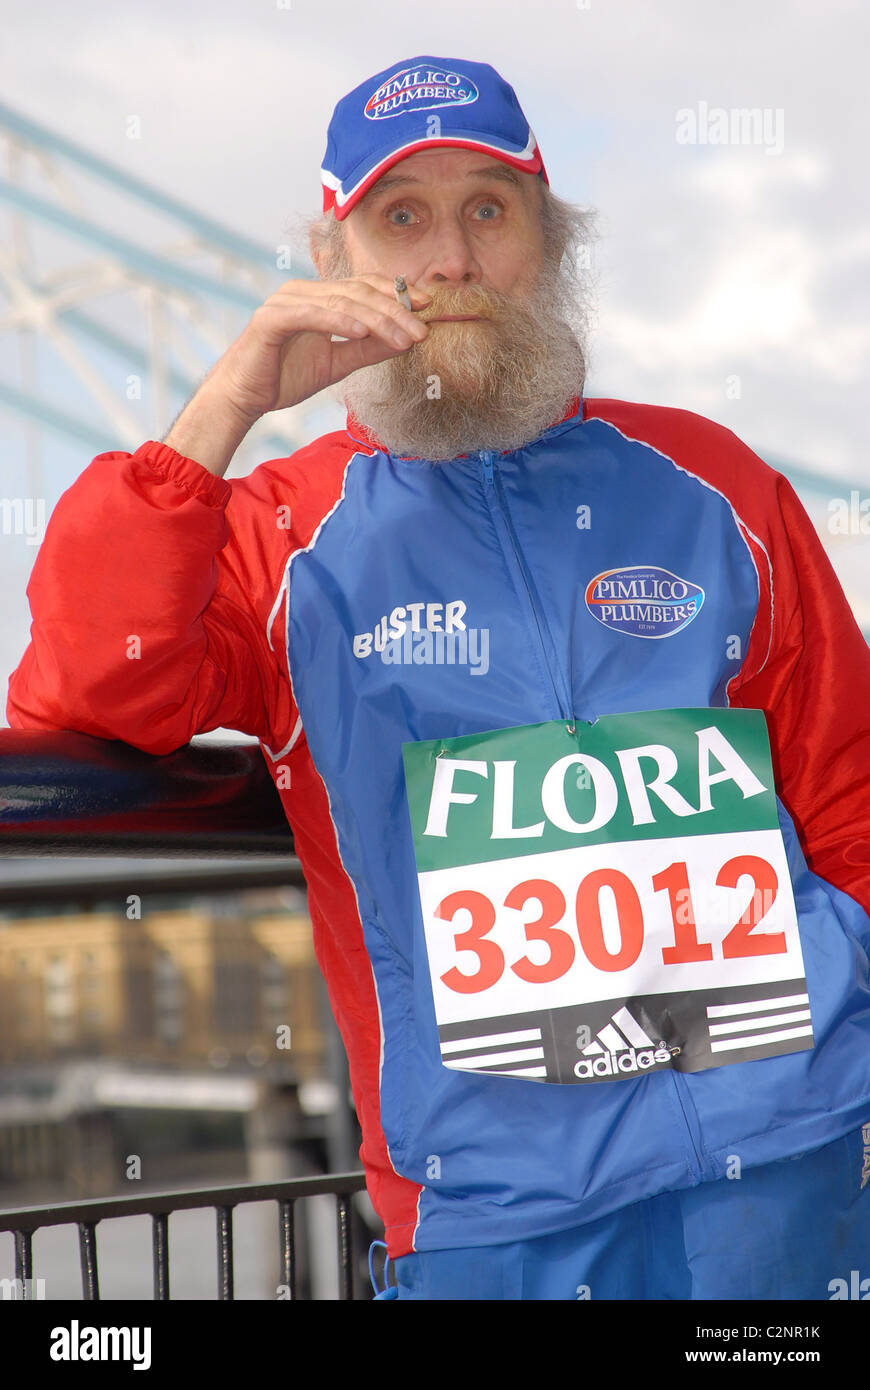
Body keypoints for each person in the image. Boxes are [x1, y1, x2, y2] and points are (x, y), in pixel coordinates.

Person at [7, 54, 870, 1301]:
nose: (451, 258)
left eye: (488, 209)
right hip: (498, 1214)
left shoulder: (715, 484)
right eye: (400, 218)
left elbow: (844, 795)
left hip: (790, 1165)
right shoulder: (276, 537)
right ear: (337, 260)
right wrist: (225, 406)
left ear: (548, 239)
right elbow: (86, 686)